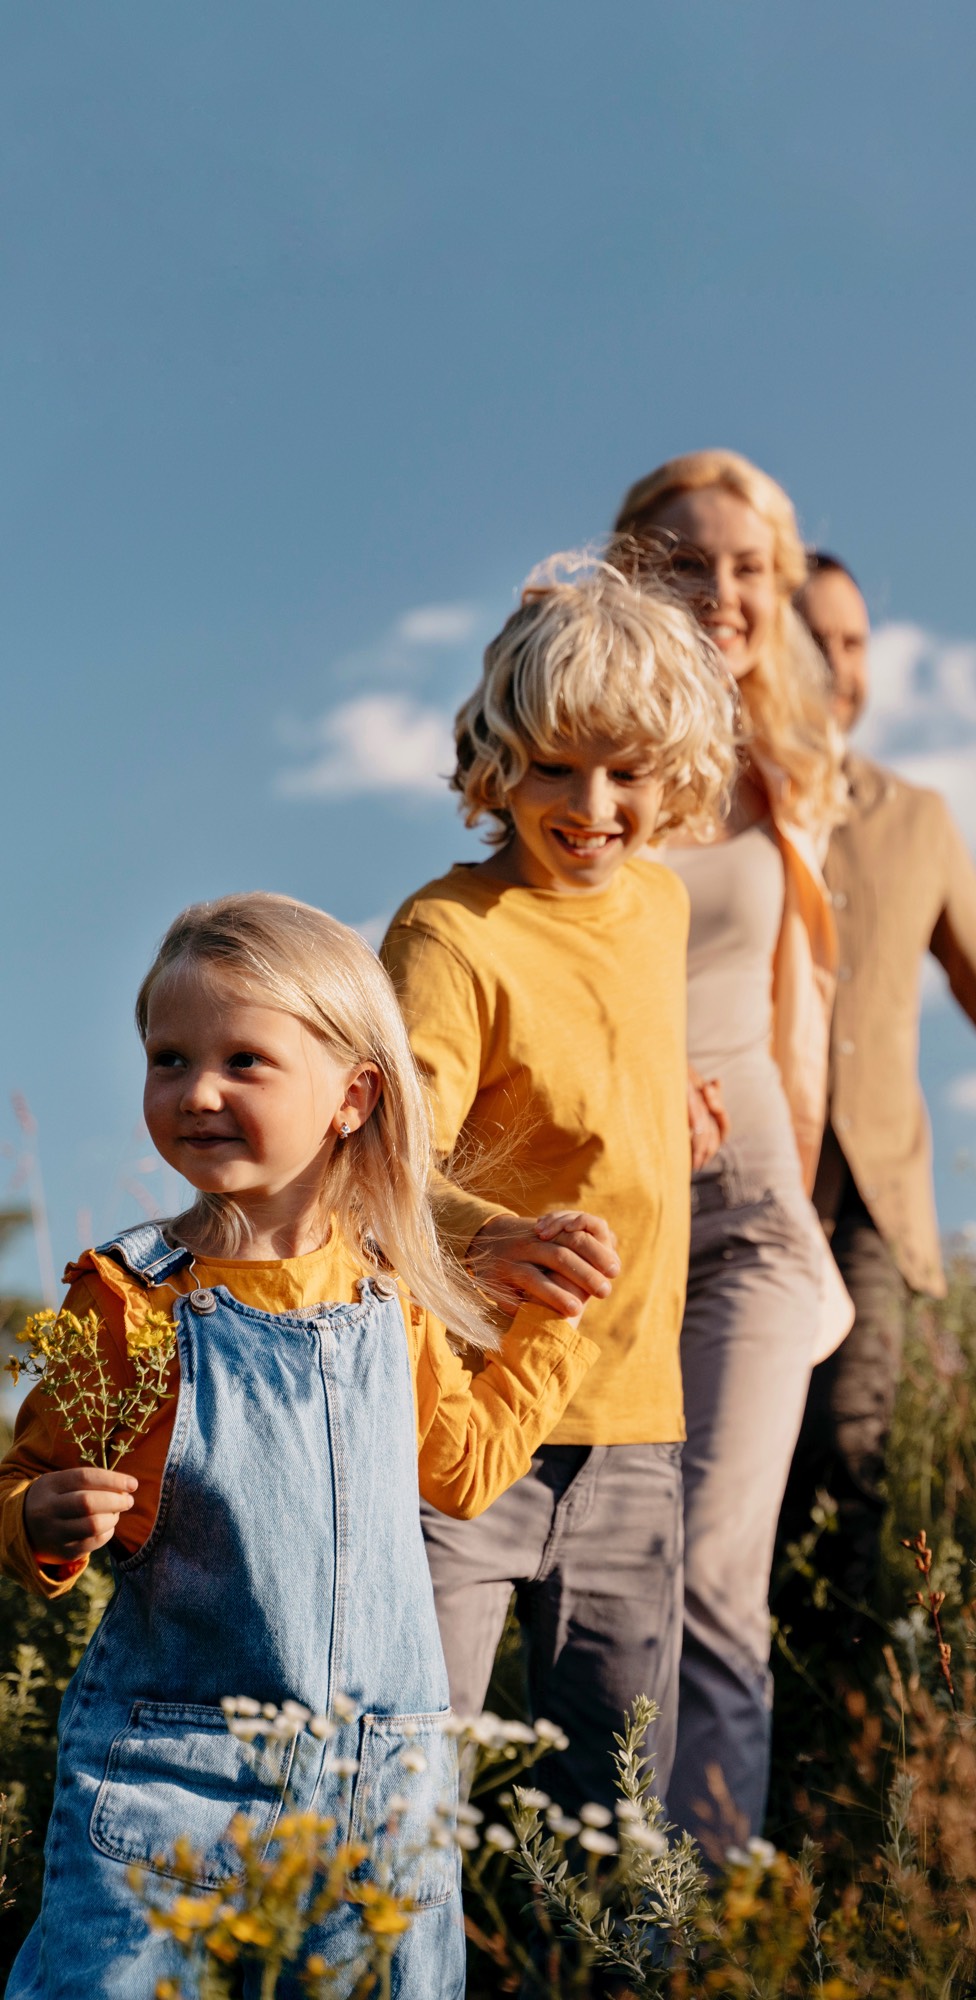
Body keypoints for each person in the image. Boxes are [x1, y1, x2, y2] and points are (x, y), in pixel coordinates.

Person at [0, 894, 602, 1999]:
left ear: (352, 1096)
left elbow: (462, 1472)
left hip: (386, 1798)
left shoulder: (390, 1298)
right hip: (179, 1784)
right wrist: (34, 1517)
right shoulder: (129, 1305)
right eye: (168, 1058)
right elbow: (24, 1476)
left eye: (244, 1059)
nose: (198, 1091)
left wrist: (553, 1331)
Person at [382, 556, 737, 1810]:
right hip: (469, 1426)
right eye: (553, 766)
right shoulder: (449, 934)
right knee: (411, 1775)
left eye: (628, 772)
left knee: (614, 1806)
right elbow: (377, 1159)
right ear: (496, 760)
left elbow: (595, 1038)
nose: (592, 805)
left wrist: (671, 1090)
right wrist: (488, 1235)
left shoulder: (658, 906)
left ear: (674, 775)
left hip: (635, 1424)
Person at [778, 550, 976, 1646]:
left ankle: (829, 1762)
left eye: (853, 641)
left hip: (865, 1192)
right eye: (809, 635)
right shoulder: (695, 798)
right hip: (724, 1183)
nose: (834, 663)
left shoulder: (910, 817)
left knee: (847, 1458)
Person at [610, 451, 853, 1855]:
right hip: (602, 1224)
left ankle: (697, 1913)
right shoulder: (578, 749)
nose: (724, 592)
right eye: (685, 562)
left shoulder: (790, 772)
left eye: (751, 566)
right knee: (604, 1576)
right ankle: (594, 1885)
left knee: (711, 1567)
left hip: (753, 1219)